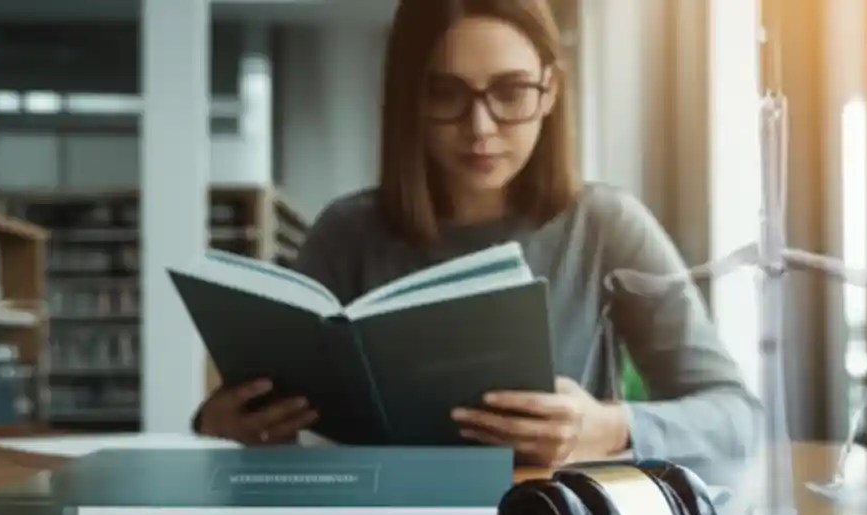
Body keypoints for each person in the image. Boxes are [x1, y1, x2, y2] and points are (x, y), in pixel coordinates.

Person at [194, 0, 762, 468]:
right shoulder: (347, 233)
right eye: (447, 94)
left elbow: (737, 416)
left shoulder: (606, 225)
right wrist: (221, 424)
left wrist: (613, 426)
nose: (481, 128)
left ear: (551, 92)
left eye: (511, 92)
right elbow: (259, 413)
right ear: (410, 100)